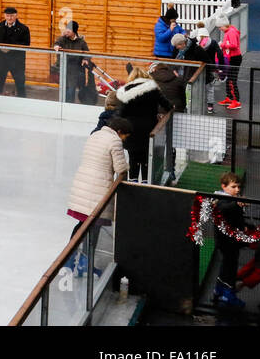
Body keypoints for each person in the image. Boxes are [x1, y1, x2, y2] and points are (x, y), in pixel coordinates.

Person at [65, 117, 131, 276]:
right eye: (125, 136)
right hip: (98, 189)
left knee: (82, 225)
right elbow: (120, 168)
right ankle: (85, 262)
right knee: (94, 228)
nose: (124, 140)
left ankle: (69, 258)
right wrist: (127, 167)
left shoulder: (95, 135)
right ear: (120, 131)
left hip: (83, 184)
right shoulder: (115, 141)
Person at [114, 67, 172, 180]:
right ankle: (146, 182)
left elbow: (121, 113)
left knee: (133, 157)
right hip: (149, 129)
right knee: (146, 158)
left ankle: (133, 182)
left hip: (131, 130)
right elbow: (167, 106)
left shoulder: (125, 92)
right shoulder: (153, 89)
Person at [212, 172, 250, 308]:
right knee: (231, 267)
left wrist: (245, 226)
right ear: (224, 186)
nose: (237, 190)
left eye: (238, 187)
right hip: (228, 242)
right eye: (234, 187)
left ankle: (219, 290)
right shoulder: (222, 200)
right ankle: (228, 295)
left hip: (229, 241)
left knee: (226, 265)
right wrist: (237, 204)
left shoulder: (228, 200)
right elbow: (222, 209)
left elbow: (235, 218)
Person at [0, 6, 30, 99]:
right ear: (5, 16)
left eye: (12, 16)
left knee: (20, 83)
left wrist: (11, 48)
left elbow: (26, 44)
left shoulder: (23, 28)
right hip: (1, 60)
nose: (9, 18)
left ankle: (22, 102)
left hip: (16, 61)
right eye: (7, 16)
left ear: (16, 16)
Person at [54, 20, 95, 105]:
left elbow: (87, 53)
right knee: (63, 89)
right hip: (64, 68)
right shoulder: (63, 39)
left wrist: (85, 59)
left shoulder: (81, 42)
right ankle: (62, 105)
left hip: (75, 70)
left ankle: (69, 106)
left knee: (71, 90)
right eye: (66, 29)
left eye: (69, 30)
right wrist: (56, 46)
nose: (66, 31)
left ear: (74, 31)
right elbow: (57, 43)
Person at [217, 15, 243, 111]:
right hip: (231, 57)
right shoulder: (229, 31)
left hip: (234, 58)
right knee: (229, 79)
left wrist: (222, 45)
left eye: (220, 27)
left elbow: (234, 45)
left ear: (224, 25)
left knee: (232, 79)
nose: (220, 29)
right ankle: (230, 97)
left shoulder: (231, 32)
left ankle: (236, 101)